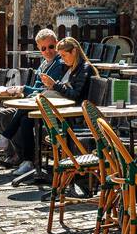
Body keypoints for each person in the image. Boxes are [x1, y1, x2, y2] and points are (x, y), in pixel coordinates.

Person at [10, 36, 92, 180]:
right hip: (65, 112)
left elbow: (75, 95)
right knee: (25, 119)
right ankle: (30, 162)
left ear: (74, 51)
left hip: (75, 117)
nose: (63, 60)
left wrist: (55, 85)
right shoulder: (73, 68)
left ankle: (8, 139)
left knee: (32, 112)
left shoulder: (84, 69)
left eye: (65, 56)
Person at [0, 28, 66, 165]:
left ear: (56, 43)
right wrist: (19, 91)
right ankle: (13, 153)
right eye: (43, 49)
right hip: (33, 103)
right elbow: (37, 90)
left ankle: (20, 155)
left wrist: (22, 89)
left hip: (46, 107)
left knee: (22, 119)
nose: (48, 51)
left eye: (51, 46)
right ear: (39, 48)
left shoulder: (58, 64)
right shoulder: (44, 64)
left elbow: (46, 90)